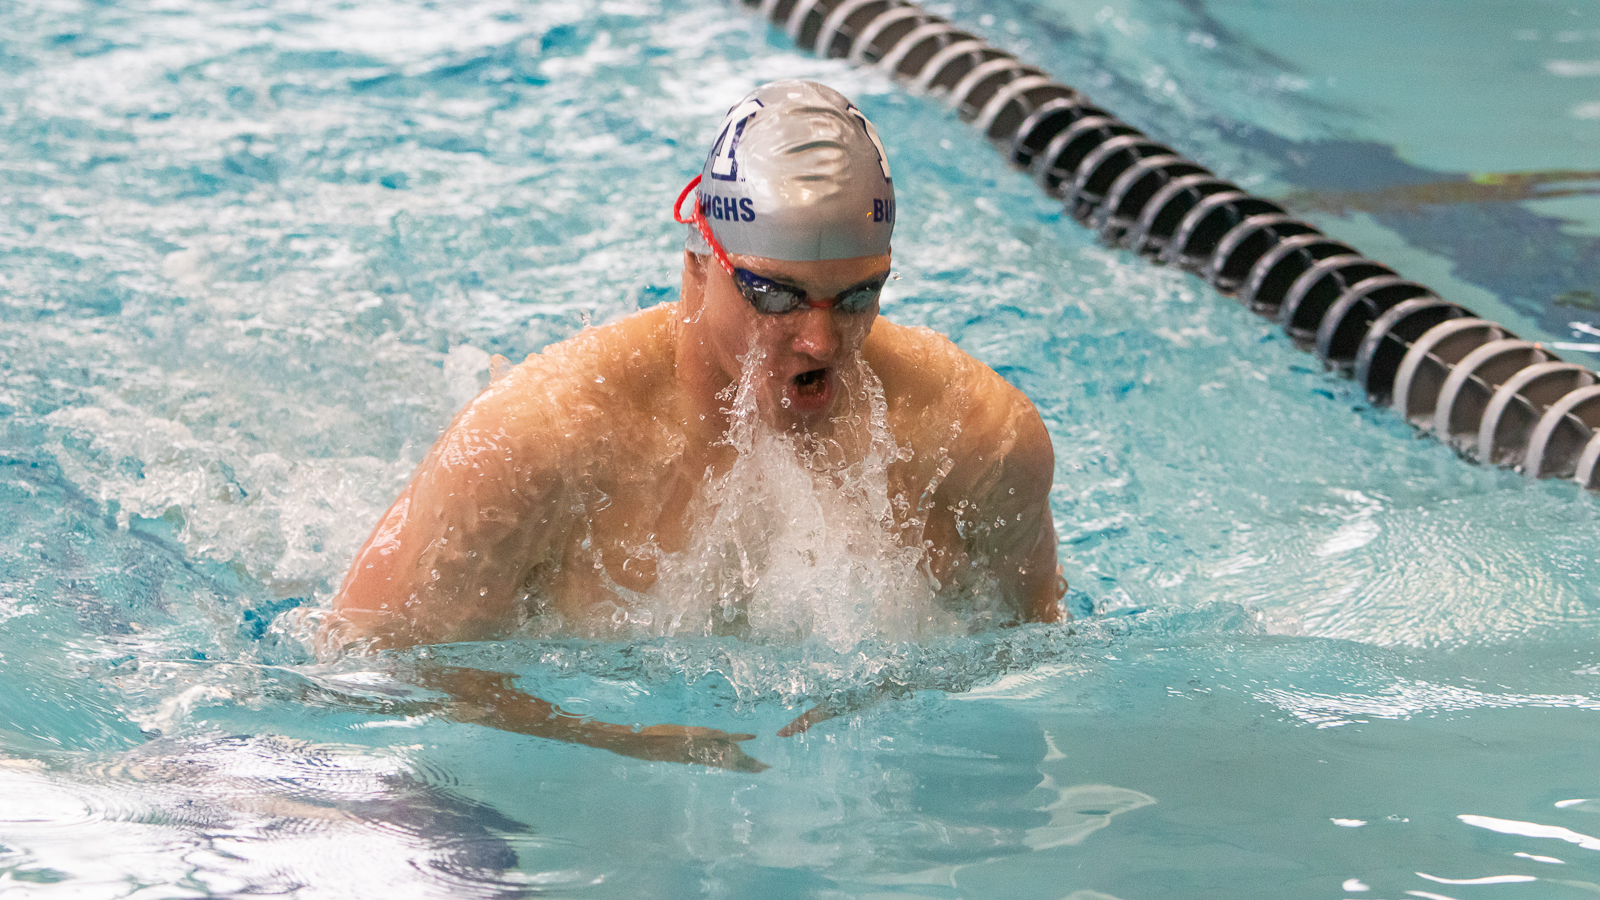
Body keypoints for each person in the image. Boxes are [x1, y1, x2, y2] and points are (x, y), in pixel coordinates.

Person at [323, 80, 1065, 770]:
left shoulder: (976, 437)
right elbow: (370, 673)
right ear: (700, 263)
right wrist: (612, 745)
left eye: (856, 297)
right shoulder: (538, 440)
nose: (820, 340)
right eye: (776, 296)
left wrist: (903, 700)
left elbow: (1036, 653)